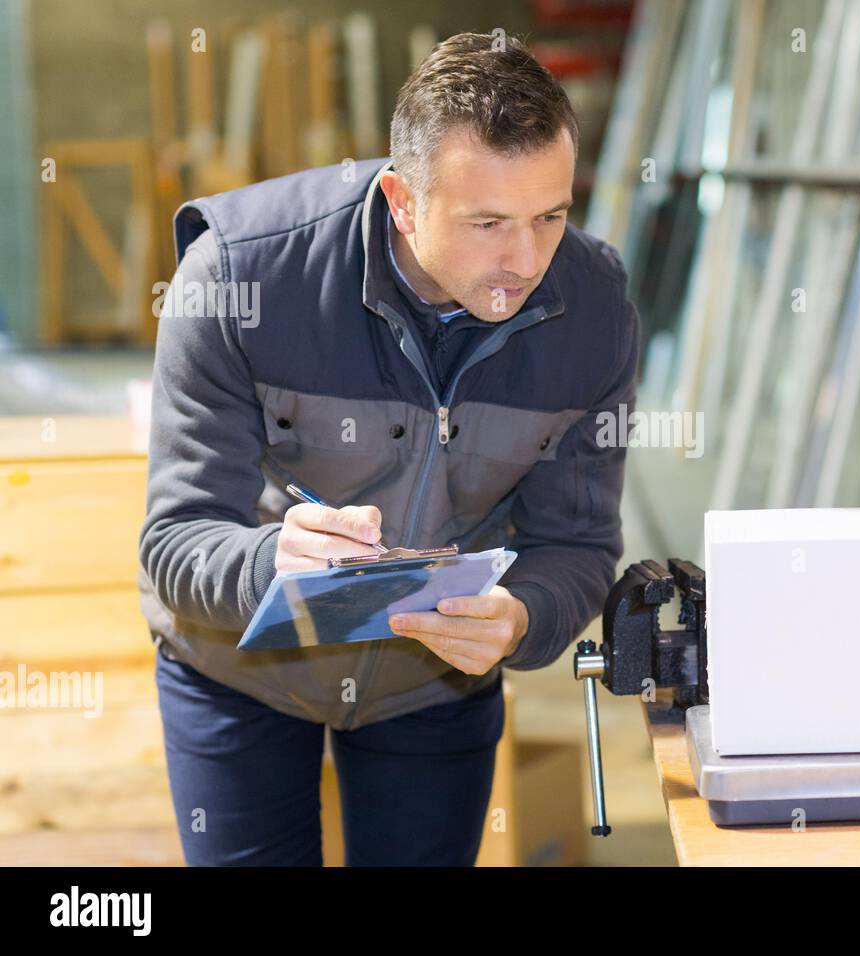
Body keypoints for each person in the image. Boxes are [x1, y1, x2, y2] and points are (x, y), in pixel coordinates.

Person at [138, 32, 638, 866]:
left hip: (432, 683)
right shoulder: (237, 277)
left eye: (550, 215)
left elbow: (579, 546)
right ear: (403, 202)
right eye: (487, 223)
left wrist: (520, 619)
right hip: (236, 674)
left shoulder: (592, 308)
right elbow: (175, 541)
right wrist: (269, 564)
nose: (524, 261)